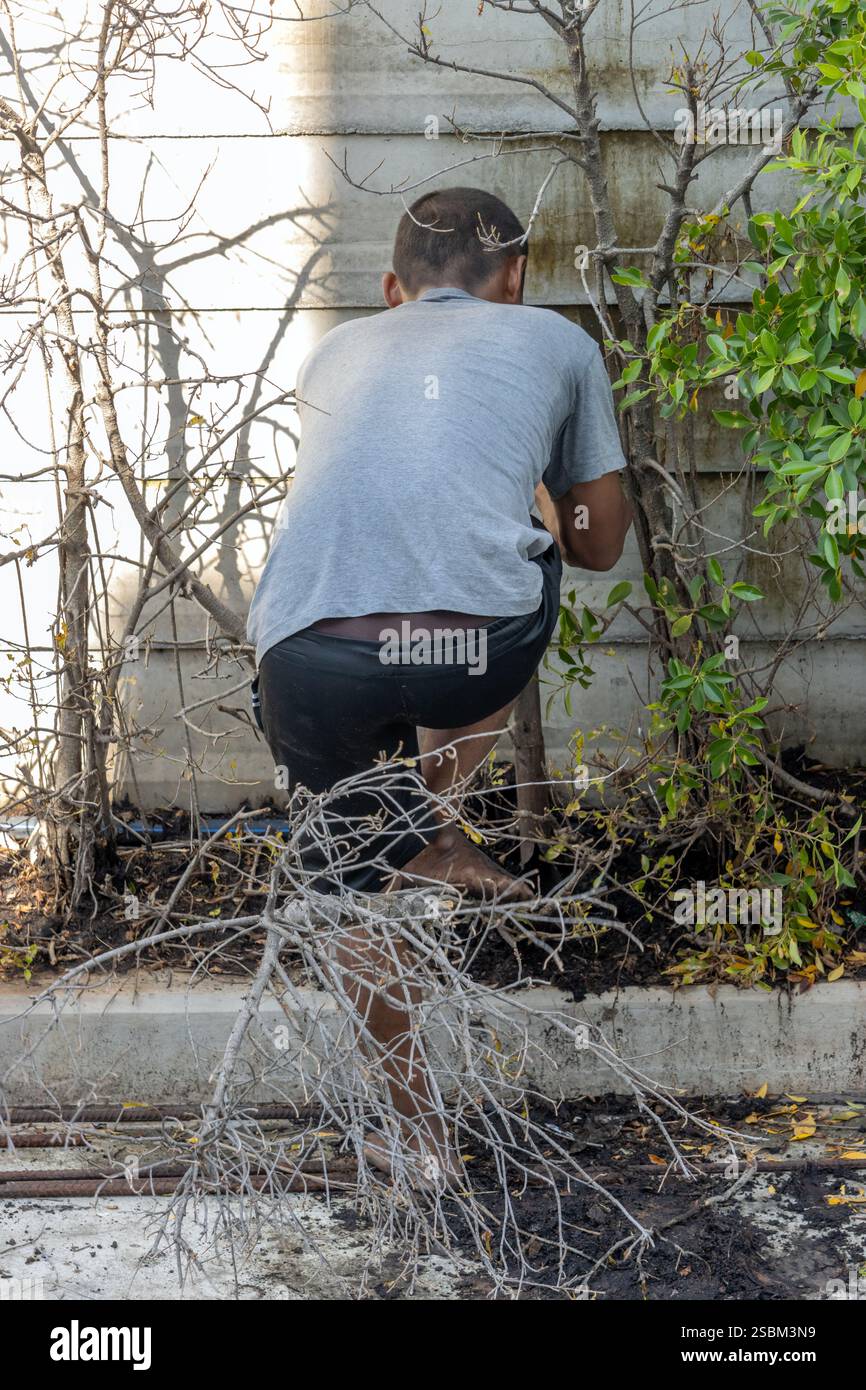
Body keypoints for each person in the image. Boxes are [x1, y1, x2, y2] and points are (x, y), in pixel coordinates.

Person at [248, 186, 632, 1184]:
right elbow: (597, 547)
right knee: (517, 559)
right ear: (516, 281)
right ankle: (437, 823)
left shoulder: (330, 356)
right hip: (473, 651)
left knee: (348, 894)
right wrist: (545, 490)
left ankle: (416, 1138)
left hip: (300, 653)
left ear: (389, 289)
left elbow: (370, 515)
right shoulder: (555, 342)